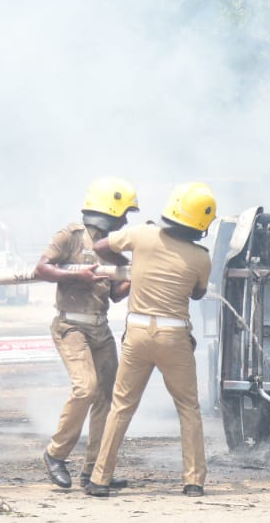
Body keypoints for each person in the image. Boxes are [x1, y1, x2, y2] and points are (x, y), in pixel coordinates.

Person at [86, 182, 215, 498]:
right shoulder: (201, 257)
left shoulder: (143, 235)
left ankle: (100, 479)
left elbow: (102, 246)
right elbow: (197, 293)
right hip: (175, 336)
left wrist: (131, 268)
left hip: (139, 333)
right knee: (188, 408)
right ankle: (193, 481)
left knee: (121, 407)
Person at [34, 178, 139, 490]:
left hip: (100, 327)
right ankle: (56, 454)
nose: (125, 221)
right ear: (109, 211)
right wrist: (74, 275)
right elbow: (42, 268)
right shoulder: (70, 236)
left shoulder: (110, 248)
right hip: (71, 326)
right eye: (123, 214)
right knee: (86, 389)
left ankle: (94, 471)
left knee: (108, 397)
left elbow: (116, 295)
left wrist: (133, 278)